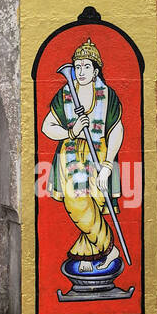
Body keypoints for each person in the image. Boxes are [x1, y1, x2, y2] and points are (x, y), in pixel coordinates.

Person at [42, 38, 124, 273]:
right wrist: (72, 130)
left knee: (94, 207)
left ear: (96, 70)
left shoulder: (108, 95)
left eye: (86, 66)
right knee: (77, 204)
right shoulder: (66, 94)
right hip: (70, 159)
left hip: (99, 157)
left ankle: (88, 257)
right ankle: (110, 250)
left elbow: (116, 129)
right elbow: (47, 127)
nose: (80, 71)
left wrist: (108, 166)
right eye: (77, 67)